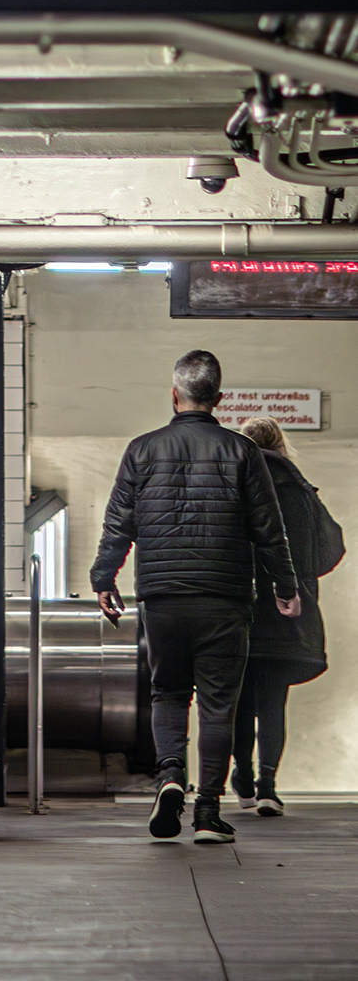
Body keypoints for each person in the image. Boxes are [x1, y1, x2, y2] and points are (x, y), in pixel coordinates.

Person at [91, 350, 300, 845]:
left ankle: (168, 777)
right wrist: (285, 587)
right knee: (218, 705)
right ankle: (207, 811)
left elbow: (119, 522)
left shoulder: (141, 449)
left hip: (162, 596)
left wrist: (105, 578)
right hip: (225, 597)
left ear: (174, 394)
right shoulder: (242, 452)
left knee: (168, 693)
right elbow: (269, 530)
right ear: (219, 399)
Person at [232, 416, 344, 818]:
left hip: (240, 609)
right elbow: (333, 546)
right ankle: (267, 786)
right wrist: (304, 577)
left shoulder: (234, 485)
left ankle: (241, 779)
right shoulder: (299, 491)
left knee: (240, 701)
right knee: (273, 701)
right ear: (281, 445)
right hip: (286, 611)